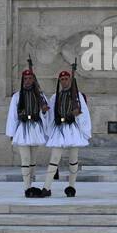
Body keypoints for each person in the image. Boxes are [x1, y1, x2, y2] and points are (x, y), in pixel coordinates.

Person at [43, 68, 91, 198]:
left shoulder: (78, 96)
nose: (64, 81)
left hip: (73, 129)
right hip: (60, 129)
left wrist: (78, 115)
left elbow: (85, 114)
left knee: (73, 159)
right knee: (54, 158)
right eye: (62, 79)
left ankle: (71, 187)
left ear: (70, 80)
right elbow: (51, 115)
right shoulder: (55, 97)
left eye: (66, 79)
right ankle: (46, 188)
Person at [5, 67, 49, 197]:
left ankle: (30, 182)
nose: (28, 81)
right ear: (22, 80)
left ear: (33, 80)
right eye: (26, 79)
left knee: (33, 160)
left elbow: (45, 115)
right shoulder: (17, 96)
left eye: (30, 78)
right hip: (22, 129)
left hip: (35, 129)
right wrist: (11, 133)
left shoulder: (40, 96)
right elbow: (12, 116)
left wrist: (45, 111)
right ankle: (26, 188)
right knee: (25, 159)